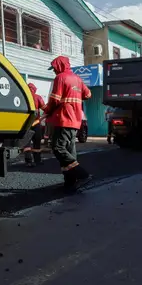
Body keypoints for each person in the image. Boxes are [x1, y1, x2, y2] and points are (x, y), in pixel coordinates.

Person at [43, 55, 92, 190]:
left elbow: (55, 99)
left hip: (64, 118)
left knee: (58, 147)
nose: (54, 71)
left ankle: (82, 174)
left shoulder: (60, 78)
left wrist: (47, 110)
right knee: (69, 149)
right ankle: (70, 182)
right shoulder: (78, 79)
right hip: (75, 120)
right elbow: (88, 95)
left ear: (59, 66)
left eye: (54, 68)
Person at [23, 83, 46, 167]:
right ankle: (38, 160)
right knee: (37, 143)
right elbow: (46, 109)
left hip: (26, 124)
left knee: (27, 144)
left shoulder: (23, 97)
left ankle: (28, 161)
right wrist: (41, 119)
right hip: (36, 123)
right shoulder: (38, 97)